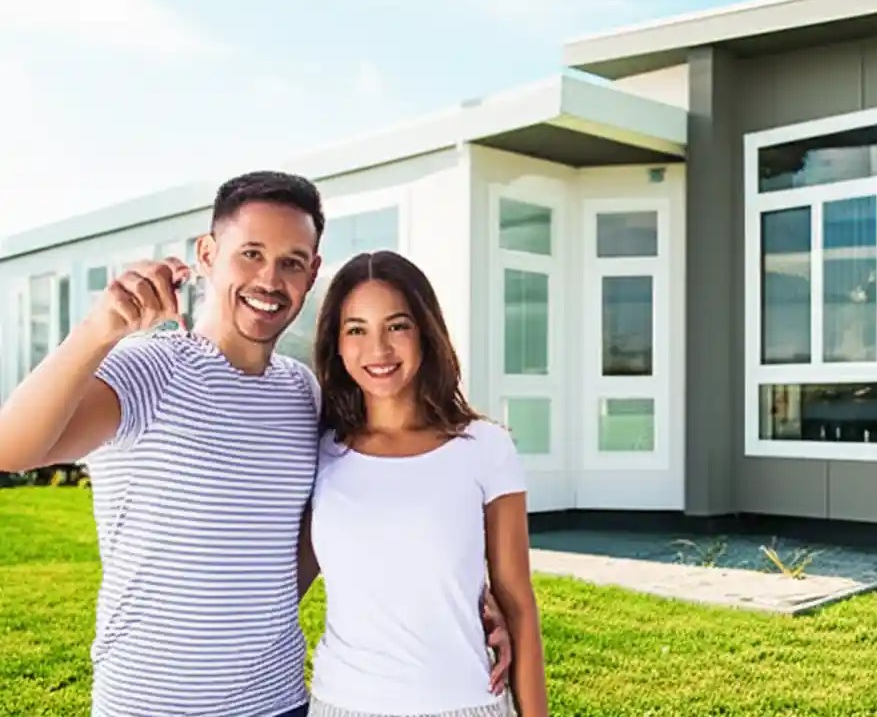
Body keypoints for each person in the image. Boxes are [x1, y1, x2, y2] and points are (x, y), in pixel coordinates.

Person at [0, 171, 512, 717]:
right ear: (207, 254)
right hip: (149, 703)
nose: (269, 279)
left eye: (292, 261)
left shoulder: (303, 394)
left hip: (277, 702)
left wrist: (471, 596)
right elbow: (12, 451)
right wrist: (97, 330)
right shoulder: (145, 370)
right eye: (250, 254)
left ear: (312, 273)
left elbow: (352, 515)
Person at [300, 250, 548, 717]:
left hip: (464, 703)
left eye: (397, 325)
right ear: (336, 342)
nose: (379, 350)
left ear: (425, 332)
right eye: (357, 329)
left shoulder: (486, 448)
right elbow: (281, 580)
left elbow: (517, 605)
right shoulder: (319, 448)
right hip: (342, 704)